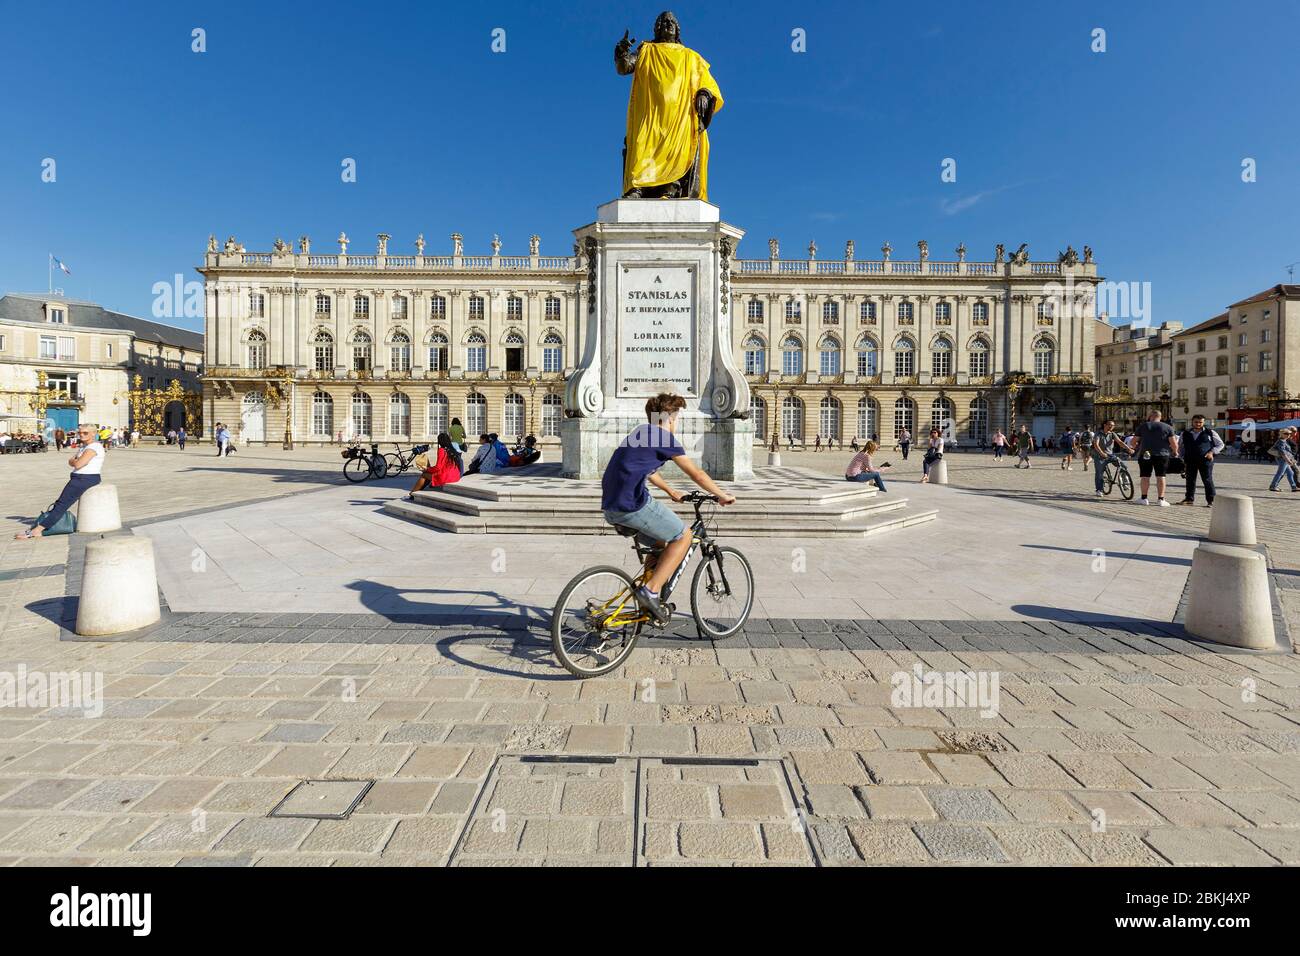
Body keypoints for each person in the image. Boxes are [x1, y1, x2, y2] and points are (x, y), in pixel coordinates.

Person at [601, 392, 735, 623]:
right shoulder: (665, 438)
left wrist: (671, 492)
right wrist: (721, 495)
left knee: (661, 542)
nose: (677, 423)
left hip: (611, 507)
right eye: (678, 418)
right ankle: (650, 592)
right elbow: (697, 474)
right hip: (632, 504)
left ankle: (646, 588)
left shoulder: (640, 433)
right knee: (683, 536)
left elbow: (649, 470)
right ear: (670, 418)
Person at [14, 423, 105, 540]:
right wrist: (74, 460)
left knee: (61, 505)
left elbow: (77, 463)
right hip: (81, 477)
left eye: (85, 433)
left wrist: (75, 460)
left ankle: (37, 530)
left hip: (84, 478)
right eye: (80, 432)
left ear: (94, 433)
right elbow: (71, 461)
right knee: (61, 503)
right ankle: (40, 528)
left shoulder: (93, 447)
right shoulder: (85, 447)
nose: (81, 435)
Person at [1128, 409, 1177, 506]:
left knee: (1145, 476)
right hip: (1162, 454)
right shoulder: (1168, 427)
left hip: (1146, 454)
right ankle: (1161, 500)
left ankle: (1144, 498)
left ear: (1150, 416)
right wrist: (1175, 452)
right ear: (1160, 417)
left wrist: (1136, 447)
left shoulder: (1143, 426)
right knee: (1161, 476)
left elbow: (1133, 442)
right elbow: (1173, 443)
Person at [1177, 414, 1223, 507]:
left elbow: (1220, 444)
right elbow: (1181, 446)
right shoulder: (1185, 433)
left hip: (1205, 460)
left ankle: (1211, 500)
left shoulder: (1210, 432)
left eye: (1200, 422)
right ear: (1192, 422)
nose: (1198, 424)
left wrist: (1212, 452)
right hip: (1189, 460)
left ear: (1204, 422)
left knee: (1207, 480)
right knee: (1190, 480)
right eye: (1196, 422)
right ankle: (1189, 499)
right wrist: (1181, 458)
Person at [404, 433, 463, 499]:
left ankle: (412, 494)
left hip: (446, 476)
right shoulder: (452, 449)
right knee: (429, 474)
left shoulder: (441, 450)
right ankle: (417, 492)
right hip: (455, 475)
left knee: (424, 475)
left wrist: (427, 469)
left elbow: (438, 467)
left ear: (440, 441)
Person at [1089, 419, 1125, 496]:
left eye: (1113, 425)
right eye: (1110, 425)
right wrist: (1101, 453)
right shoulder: (1098, 433)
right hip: (1099, 455)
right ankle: (1099, 490)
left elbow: (1120, 442)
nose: (1111, 427)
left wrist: (1129, 449)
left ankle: (1124, 483)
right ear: (1105, 425)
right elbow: (1096, 444)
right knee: (1099, 473)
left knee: (1122, 465)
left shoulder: (1112, 434)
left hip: (1110, 455)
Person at [1268, 427, 1300, 492]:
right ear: (1282, 434)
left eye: (1289, 433)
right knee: (1280, 473)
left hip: (1285, 459)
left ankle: (1293, 487)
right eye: (1286, 433)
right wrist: (1288, 460)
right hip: (1283, 459)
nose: (1288, 435)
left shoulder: (1284, 440)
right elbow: (1282, 453)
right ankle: (1273, 486)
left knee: (1290, 473)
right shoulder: (1281, 441)